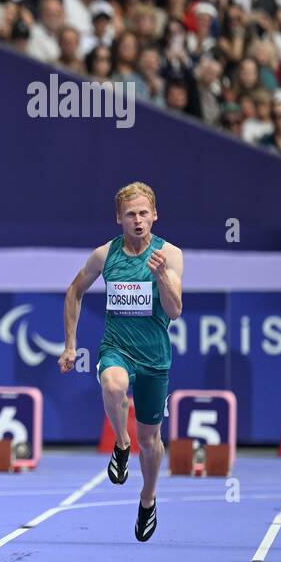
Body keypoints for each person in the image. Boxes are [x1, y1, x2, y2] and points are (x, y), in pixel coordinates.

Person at [59, 182, 183, 542]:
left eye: (144, 213)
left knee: (152, 440)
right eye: (131, 214)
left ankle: (148, 498)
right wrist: (70, 345)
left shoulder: (170, 255)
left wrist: (162, 279)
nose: (138, 220)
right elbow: (74, 291)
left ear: (155, 214)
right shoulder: (104, 255)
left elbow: (174, 312)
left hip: (155, 357)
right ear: (119, 218)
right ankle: (121, 442)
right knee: (112, 384)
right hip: (117, 347)